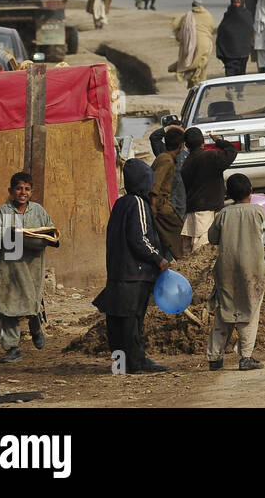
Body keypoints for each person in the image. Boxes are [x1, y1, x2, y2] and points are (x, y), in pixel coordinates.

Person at [92, 159, 169, 375]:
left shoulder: (120, 204)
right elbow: (140, 239)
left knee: (116, 321)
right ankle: (136, 363)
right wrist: (158, 259)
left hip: (117, 273)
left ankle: (119, 364)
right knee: (132, 321)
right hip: (135, 274)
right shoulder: (138, 203)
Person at [0, 172, 58, 363]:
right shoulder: (3, 211)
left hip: (32, 266)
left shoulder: (38, 211)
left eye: (27, 189)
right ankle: (12, 347)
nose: (23, 192)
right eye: (19, 188)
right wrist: (9, 233)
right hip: (9, 266)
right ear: (11, 191)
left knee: (32, 301)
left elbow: (50, 231)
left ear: (32, 191)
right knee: (8, 305)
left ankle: (36, 329)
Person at [206, 173, 265, 372]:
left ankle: (215, 357)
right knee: (250, 311)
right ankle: (246, 357)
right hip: (253, 271)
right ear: (251, 191)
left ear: (228, 194)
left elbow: (213, 238)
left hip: (226, 271)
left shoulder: (223, 213)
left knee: (225, 310)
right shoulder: (259, 212)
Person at [180, 126, 238, 254]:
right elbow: (232, 150)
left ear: (186, 146)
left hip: (196, 211)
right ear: (203, 142)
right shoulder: (211, 156)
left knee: (195, 248)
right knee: (204, 249)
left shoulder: (186, 163)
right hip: (208, 210)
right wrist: (218, 141)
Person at [151, 126, 188, 260]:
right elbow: (156, 184)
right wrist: (154, 205)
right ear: (181, 146)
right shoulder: (166, 160)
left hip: (171, 204)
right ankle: (181, 263)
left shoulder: (165, 157)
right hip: (163, 206)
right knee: (177, 236)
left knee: (166, 238)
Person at [169, 0, 215, 88]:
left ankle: (193, 85)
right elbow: (211, 28)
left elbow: (179, 29)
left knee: (191, 62)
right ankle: (200, 86)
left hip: (190, 45)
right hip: (205, 44)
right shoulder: (208, 15)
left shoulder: (188, 16)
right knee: (202, 64)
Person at [216, 0, 253, 79]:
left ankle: (240, 92)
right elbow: (221, 31)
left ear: (242, 1)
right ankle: (230, 90)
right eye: (235, 0)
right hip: (229, 53)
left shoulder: (247, 15)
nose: (237, 2)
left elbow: (249, 30)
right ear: (232, 1)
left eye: (239, 0)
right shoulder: (228, 15)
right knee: (230, 75)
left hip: (242, 53)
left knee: (241, 74)